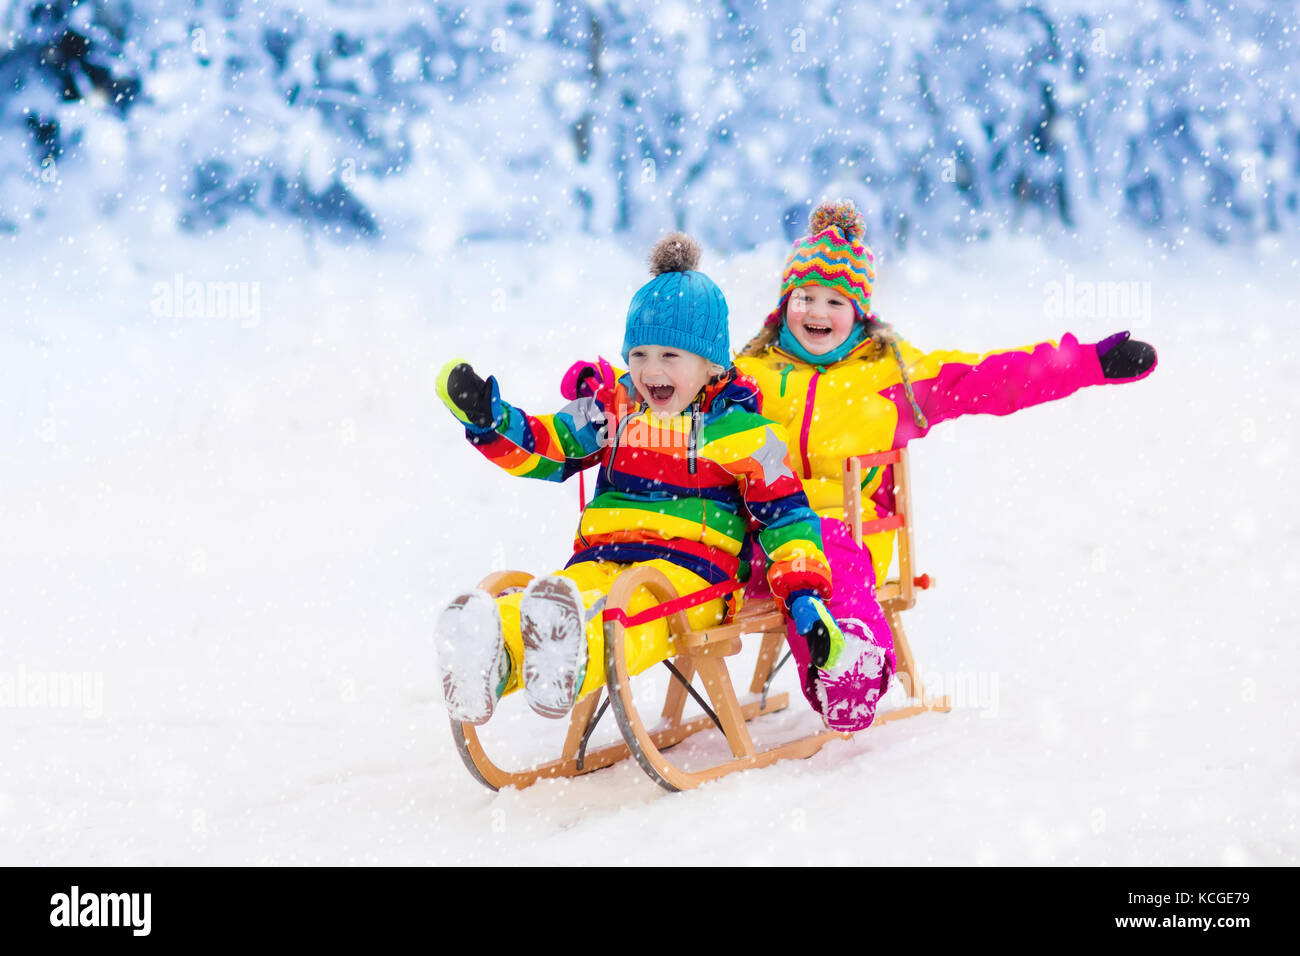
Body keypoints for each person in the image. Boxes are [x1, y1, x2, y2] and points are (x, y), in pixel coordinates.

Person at [563, 200, 1158, 732]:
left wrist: (1089, 364)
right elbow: (668, 381)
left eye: (834, 301)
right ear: (784, 305)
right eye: (803, 297)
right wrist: (598, 389)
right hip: (744, 535)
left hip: (834, 535)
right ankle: (581, 637)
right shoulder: (749, 373)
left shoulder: (890, 378)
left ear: (860, 312)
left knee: (828, 556)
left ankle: (846, 665)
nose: (815, 311)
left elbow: (991, 378)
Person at [434, 232, 843, 726]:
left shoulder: (748, 435)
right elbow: (550, 447)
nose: (650, 370)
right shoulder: (613, 411)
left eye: (670, 356)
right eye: (639, 354)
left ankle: (574, 657)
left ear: (711, 363)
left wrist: (804, 595)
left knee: (632, 613)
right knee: (568, 592)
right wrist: (493, 421)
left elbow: (788, 518)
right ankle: (492, 651)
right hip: (602, 555)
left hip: (695, 574)